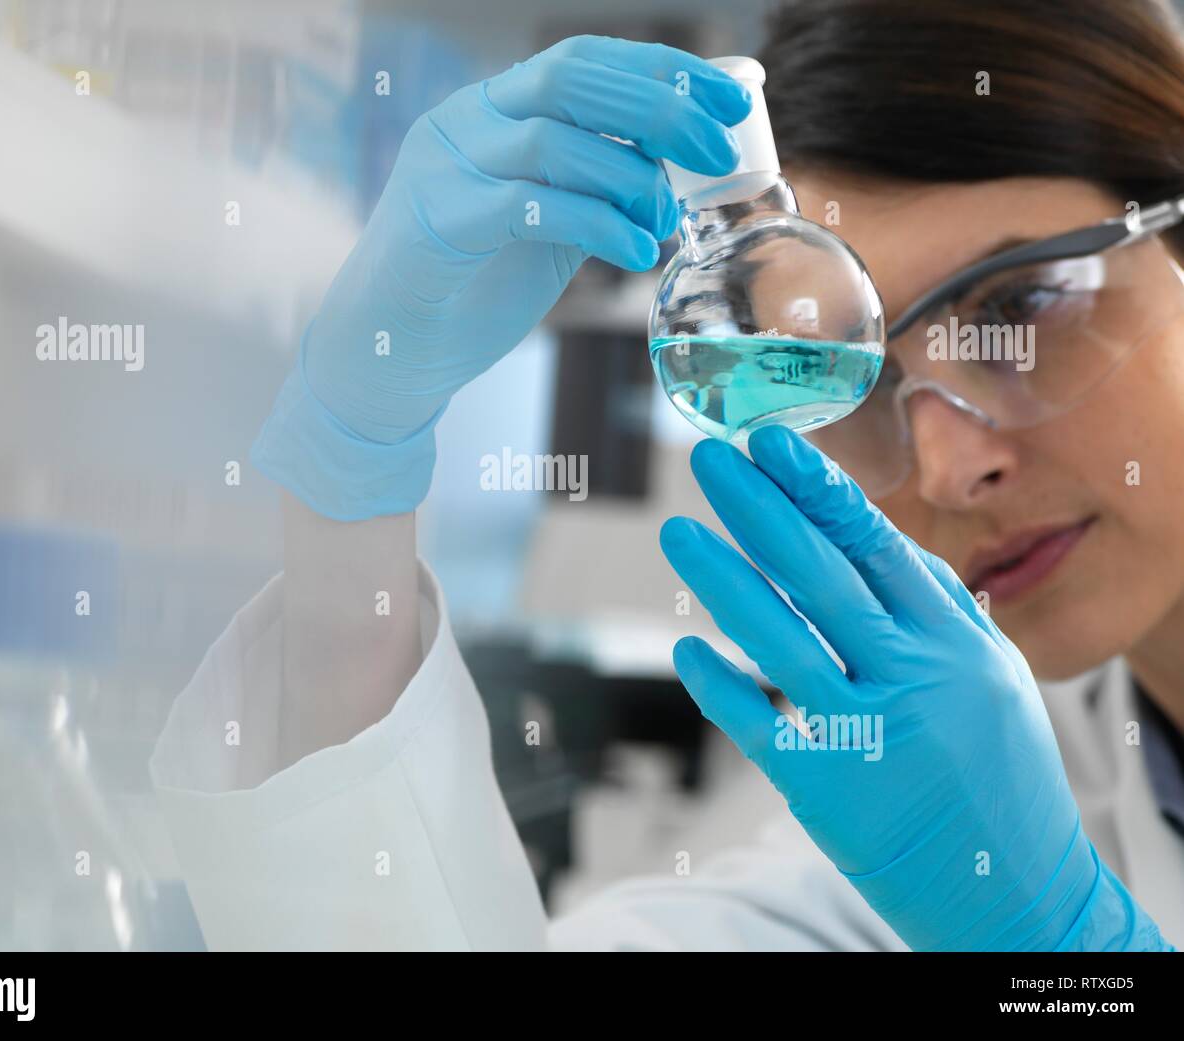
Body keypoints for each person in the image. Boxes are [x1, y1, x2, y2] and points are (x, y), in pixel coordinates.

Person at [149, 0, 1184, 950]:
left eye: (1023, 310)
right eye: (858, 386)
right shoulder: (952, 823)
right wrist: (348, 493)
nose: (954, 469)